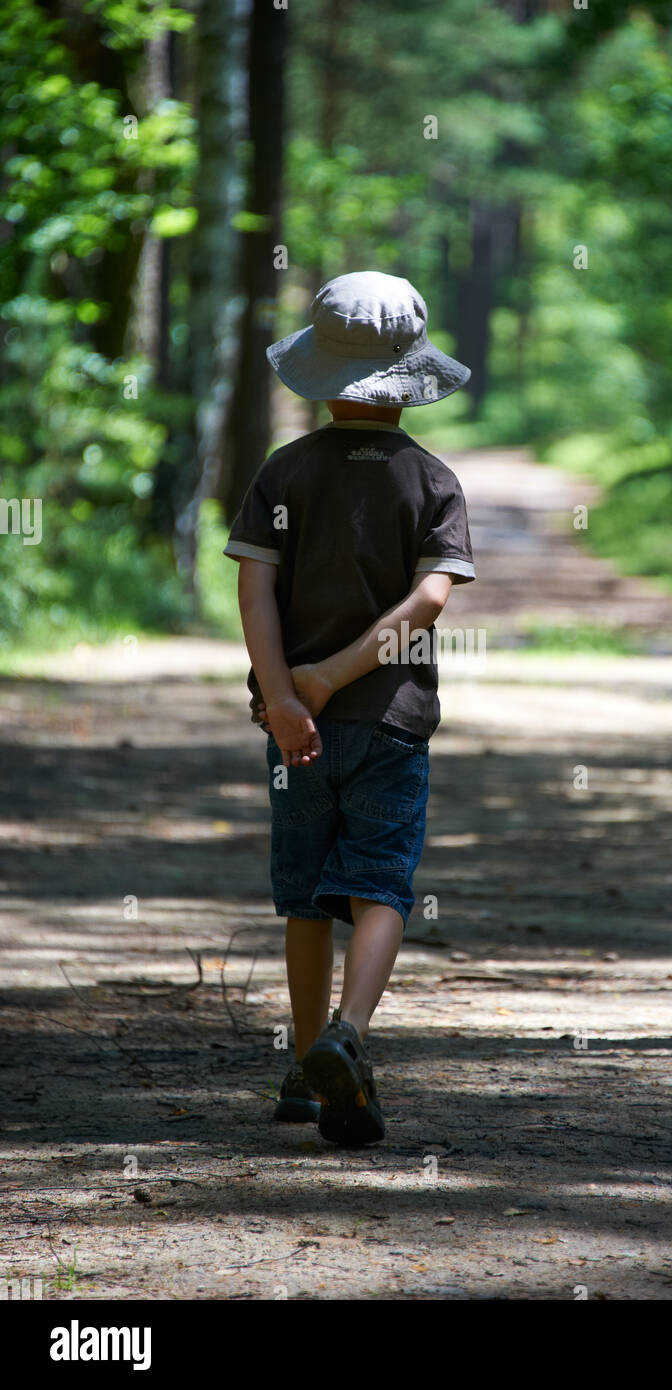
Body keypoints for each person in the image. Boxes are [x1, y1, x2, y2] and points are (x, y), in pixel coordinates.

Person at [223, 270, 475, 1146]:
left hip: (293, 734)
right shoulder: (431, 480)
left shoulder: (283, 472)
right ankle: (350, 1035)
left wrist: (290, 694)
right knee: (378, 886)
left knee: (303, 897)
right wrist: (338, 676)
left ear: (320, 373)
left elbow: (255, 594)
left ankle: (301, 1064)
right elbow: (430, 601)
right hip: (392, 723)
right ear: (410, 379)